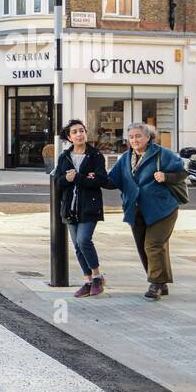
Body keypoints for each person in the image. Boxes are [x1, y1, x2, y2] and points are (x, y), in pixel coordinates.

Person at [107, 123, 187, 302]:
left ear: (147, 137)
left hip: (163, 209)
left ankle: (155, 284)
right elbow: (112, 181)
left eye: (138, 136)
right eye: (131, 137)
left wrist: (166, 177)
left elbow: (182, 172)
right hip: (136, 210)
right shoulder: (126, 158)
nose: (134, 140)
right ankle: (161, 282)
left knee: (153, 245)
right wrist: (91, 177)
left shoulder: (161, 154)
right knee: (144, 247)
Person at [53, 120, 114, 298]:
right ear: (69, 137)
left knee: (84, 240)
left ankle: (97, 276)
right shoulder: (64, 157)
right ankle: (88, 281)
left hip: (90, 206)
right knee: (78, 247)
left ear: (86, 133)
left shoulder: (96, 156)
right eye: (75, 132)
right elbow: (58, 182)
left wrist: (78, 178)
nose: (79, 134)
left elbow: (101, 180)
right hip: (70, 208)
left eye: (81, 131)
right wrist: (68, 179)